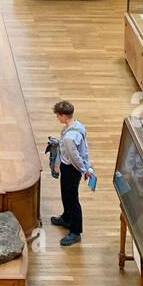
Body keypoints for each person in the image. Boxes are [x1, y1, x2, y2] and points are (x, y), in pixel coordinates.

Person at [50, 101, 93, 247]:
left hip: (71, 169)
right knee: (65, 194)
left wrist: (84, 169)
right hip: (69, 167)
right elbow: (83, 149)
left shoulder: (69, 137)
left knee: (72, 198)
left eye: (58, 115)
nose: (57, 118)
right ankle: (66, 217)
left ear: (63, 115)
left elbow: (74, 156)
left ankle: (75, 231)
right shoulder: (78, 125)